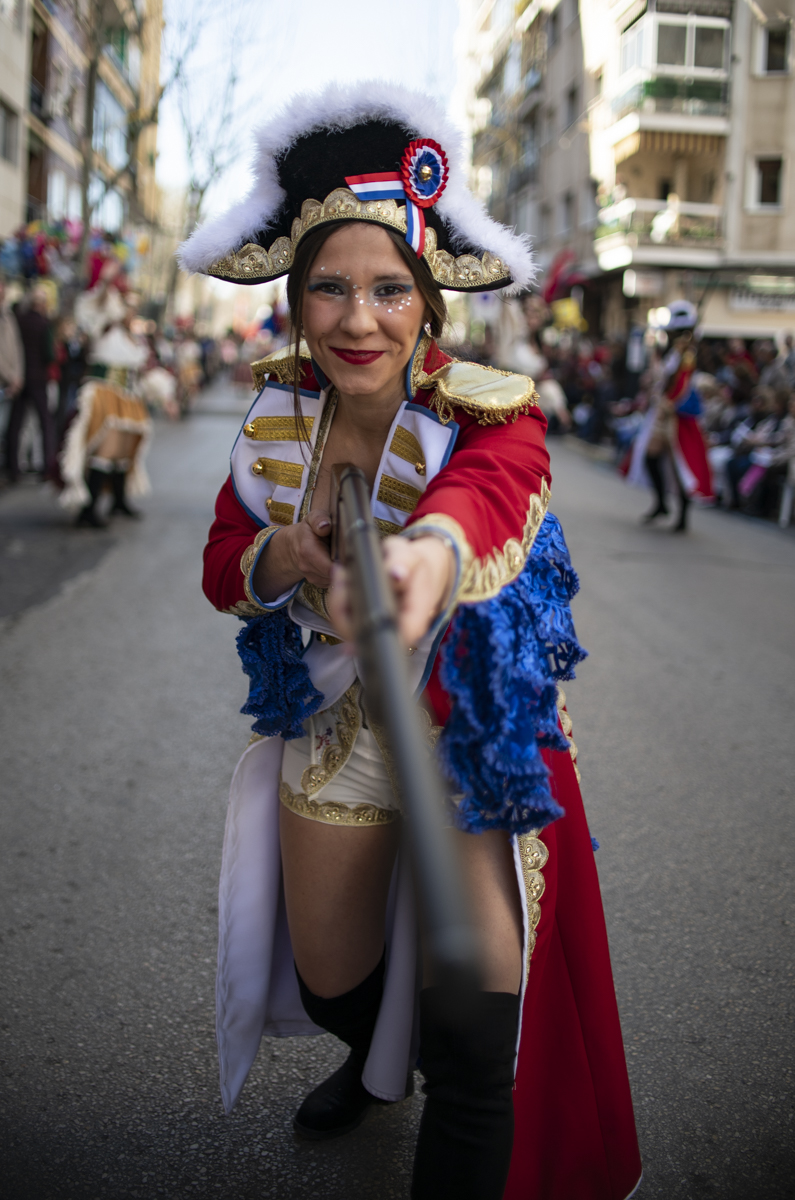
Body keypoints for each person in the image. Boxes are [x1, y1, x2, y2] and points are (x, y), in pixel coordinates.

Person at [180, 85, 641, 1200]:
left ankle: (431, 1065)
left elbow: (487, 497)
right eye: (329, 289)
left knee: (478, 1035)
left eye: (390, 290)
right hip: (339, 722)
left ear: (428, 305)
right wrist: (289, 555)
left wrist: (422, 556)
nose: (357, 320)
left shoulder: (493, 411)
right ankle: (378, 1058)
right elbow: (220, 562)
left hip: (469, 727)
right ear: (296, 303)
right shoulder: (277, 418)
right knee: (337, 977)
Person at [630, 300, 714, 531]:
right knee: (652, 457)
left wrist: (671, 403)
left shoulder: (688, 352)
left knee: (680, 466)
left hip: (676, 415)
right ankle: (661, 503)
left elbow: (684, 382)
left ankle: (682, 515)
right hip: (663, 411)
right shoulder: (674, 349)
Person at [5, 285, 55, 482]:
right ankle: (47, 467)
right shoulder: (44, 324)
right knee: (45, 422)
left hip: (21, 376)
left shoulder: (19, 320)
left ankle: (13, 468)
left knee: (15, 423)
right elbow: (48, 353)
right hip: (37, 378)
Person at [0, 276, 24, 420]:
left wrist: (18, 377)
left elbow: (17, 347)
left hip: (8, 386)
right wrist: (11, 376)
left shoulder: (9, 317)